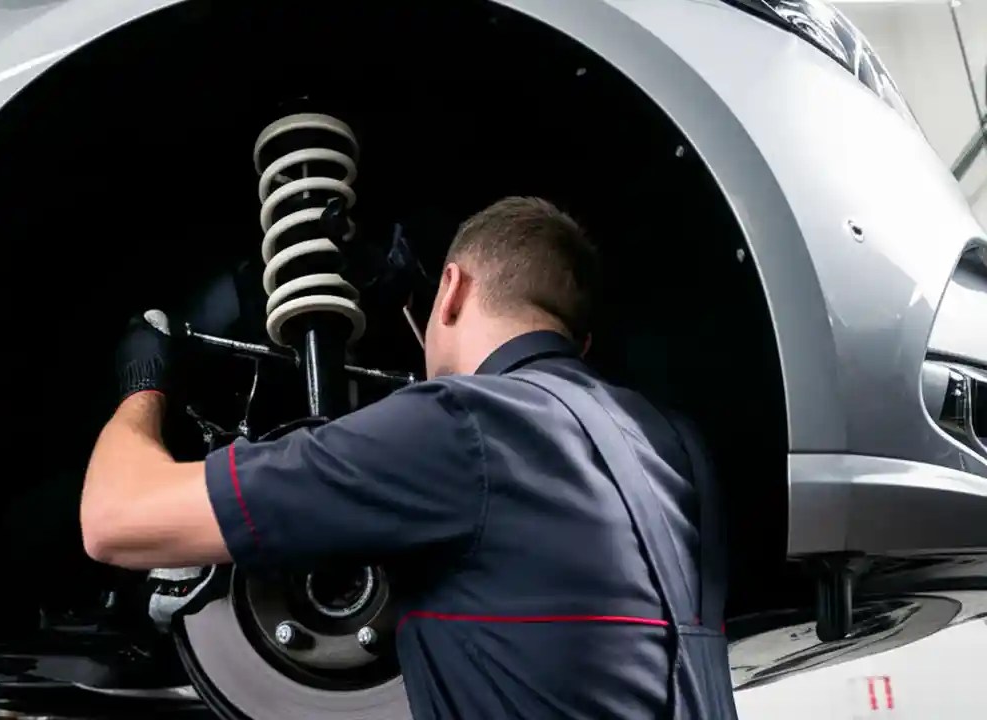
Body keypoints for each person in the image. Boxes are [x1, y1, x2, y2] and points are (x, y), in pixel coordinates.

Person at [80, 197, 738, 719]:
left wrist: (144, 383)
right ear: (582, 341)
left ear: (449, 289)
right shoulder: (675, 444)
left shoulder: (462, 425)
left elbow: (114, 519)